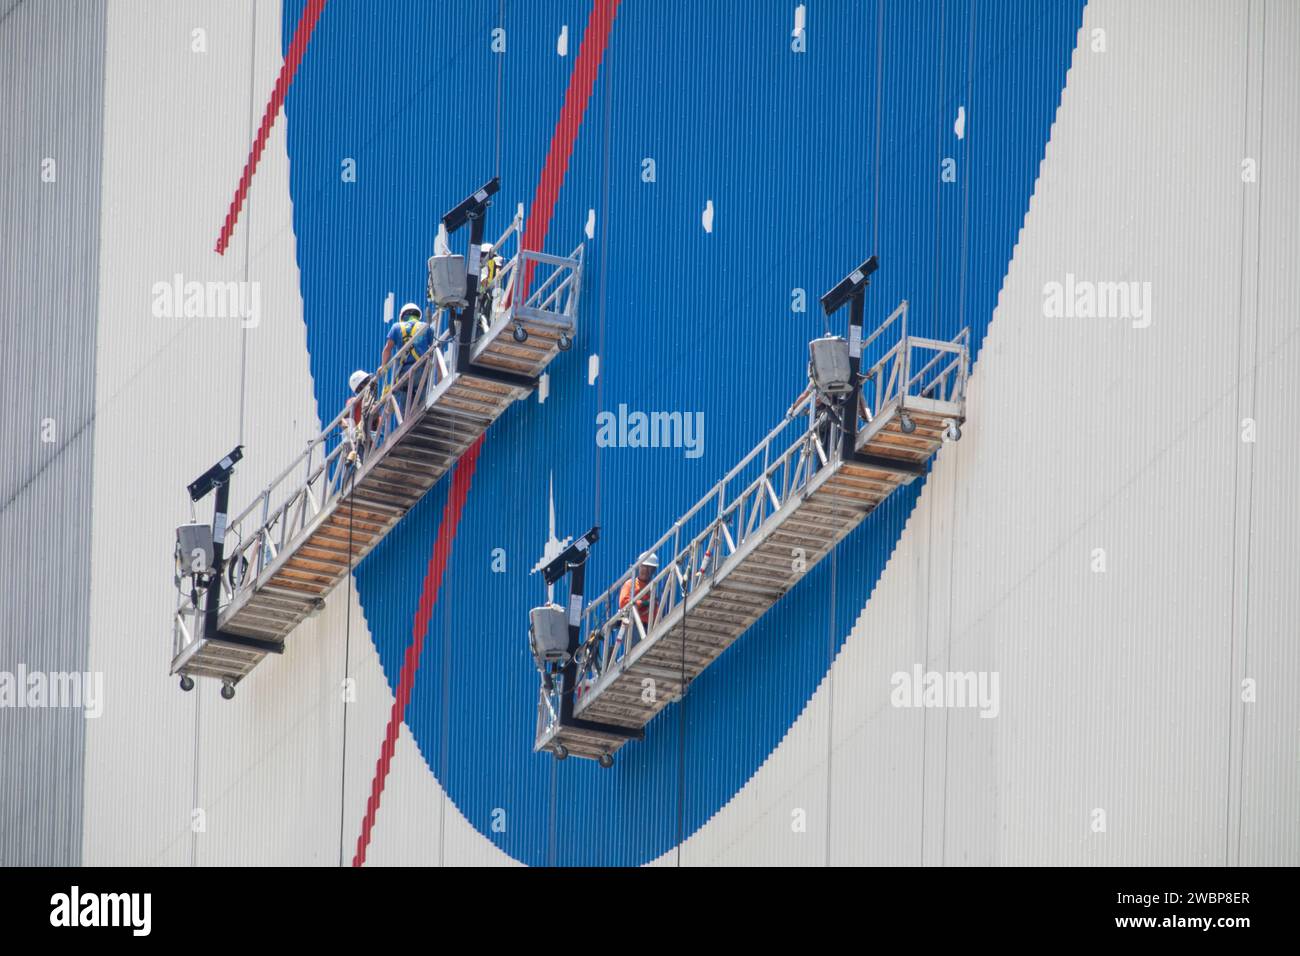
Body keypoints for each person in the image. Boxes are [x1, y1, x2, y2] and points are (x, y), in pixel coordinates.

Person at [380, 302, 433, 416]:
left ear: (402, 315)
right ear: (418, 315)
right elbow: (434, 349)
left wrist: (383, 366)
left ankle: (406, 423)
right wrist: (439, 376)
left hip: (405, 373)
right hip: (422, 370)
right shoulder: (426, 327)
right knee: (423, 405)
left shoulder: (396, 327)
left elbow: (387, 349)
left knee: (405, 411)